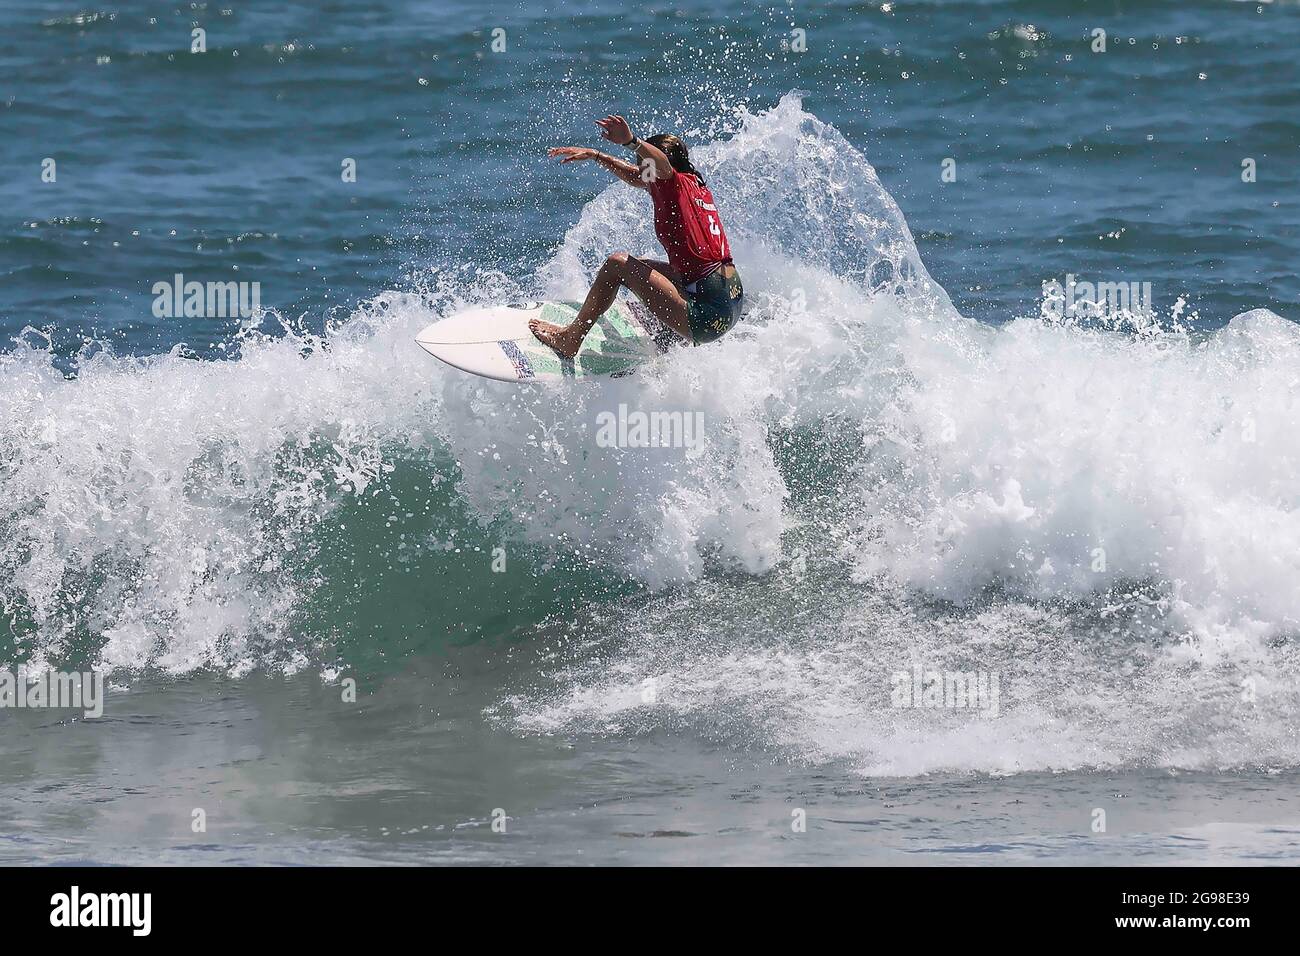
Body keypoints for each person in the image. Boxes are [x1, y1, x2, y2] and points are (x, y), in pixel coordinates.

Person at [529, 114, 743, 358]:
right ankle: (669, 337)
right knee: (639, 266)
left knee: (617, 265)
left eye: (644, 163)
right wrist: (596, 155)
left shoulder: (672, 181)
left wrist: (631, 141)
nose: (641, 170)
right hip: (728, 301)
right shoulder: (692, 184)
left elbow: (660, 164)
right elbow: (637, 175)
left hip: (707, 316)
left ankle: (570, 339)